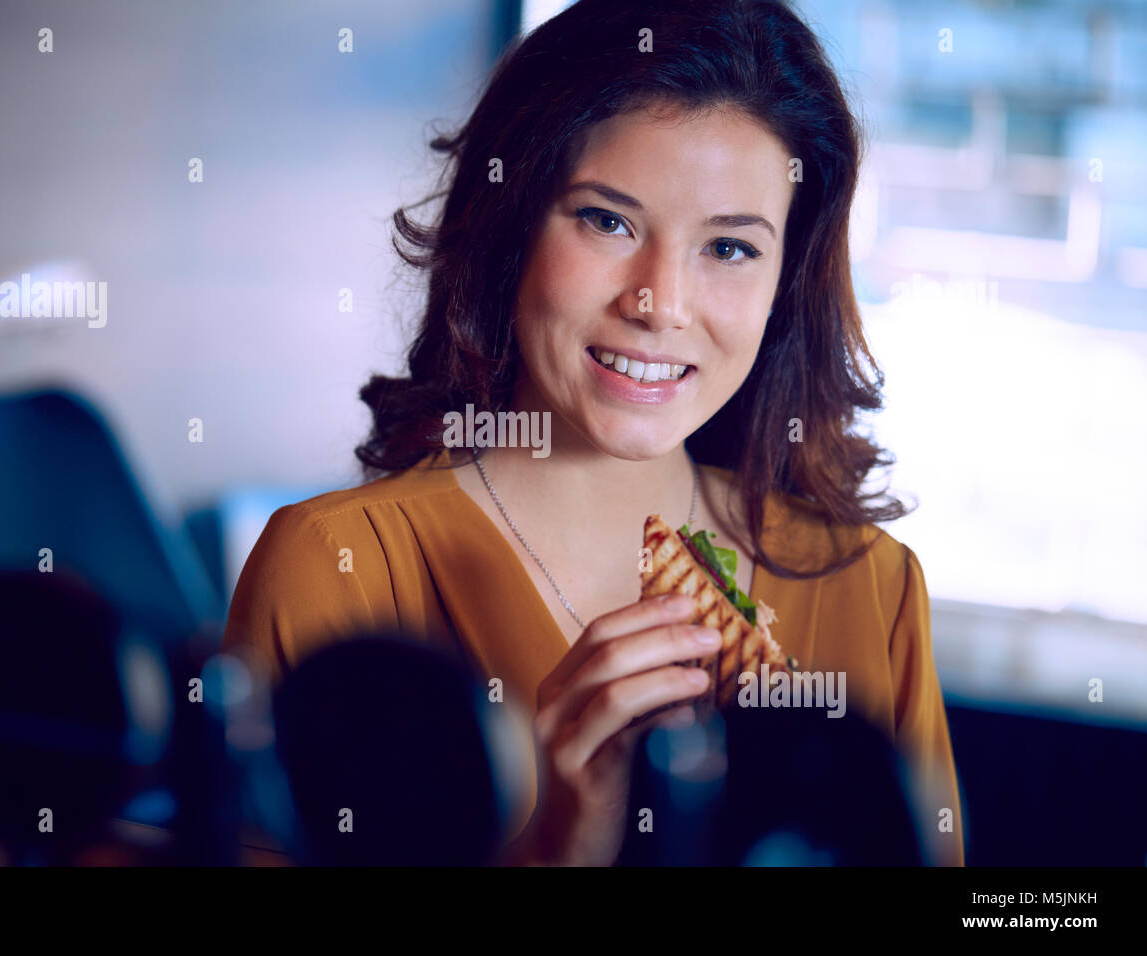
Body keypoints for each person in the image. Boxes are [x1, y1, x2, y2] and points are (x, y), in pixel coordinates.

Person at [223, 0, 964, 866]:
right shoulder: (335, 570)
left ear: (783, 285)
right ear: (510, 232)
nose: (658, 305)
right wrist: (556, 849)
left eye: (728, 248)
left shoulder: (873, 589)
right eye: (606, 221)